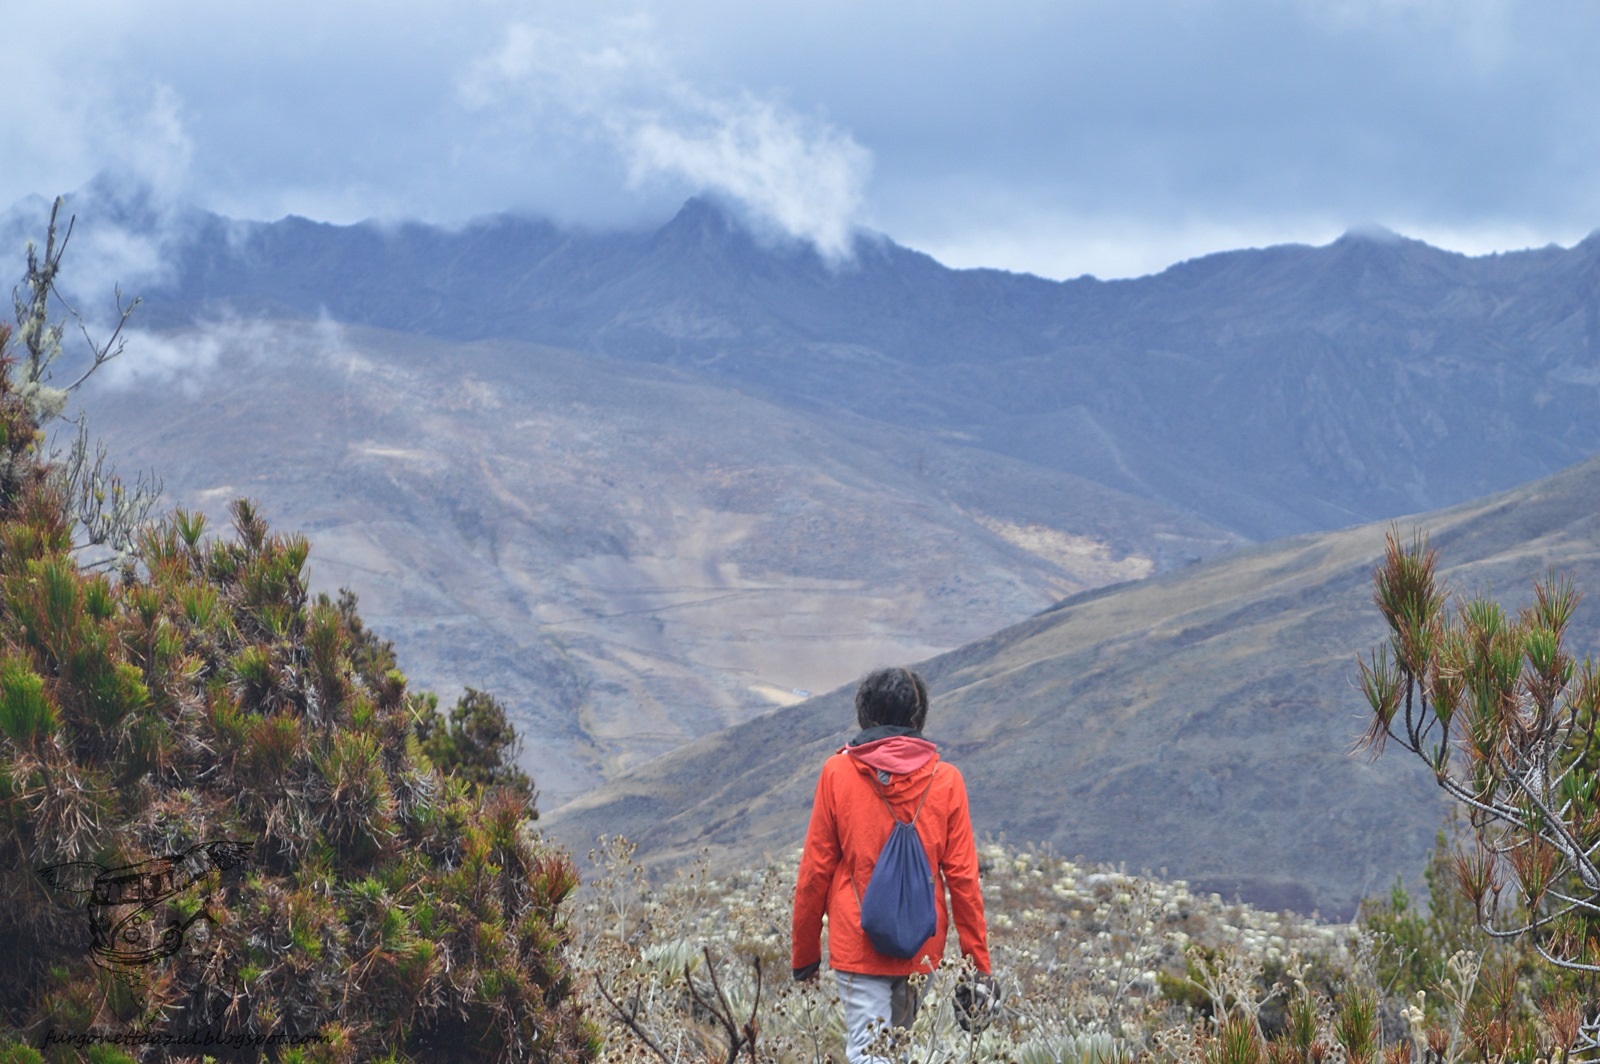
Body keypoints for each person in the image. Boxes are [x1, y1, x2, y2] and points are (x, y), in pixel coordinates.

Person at [791, 667, 991, 1062]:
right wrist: (977, 966)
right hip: (921, 944)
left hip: (856, 940)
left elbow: (816, 870)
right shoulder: (947, 780)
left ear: (867, 714)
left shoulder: (838, 773)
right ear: (918, 717)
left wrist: (805, 954)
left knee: (869, 1052)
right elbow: (964, 881)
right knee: (893, 1050)